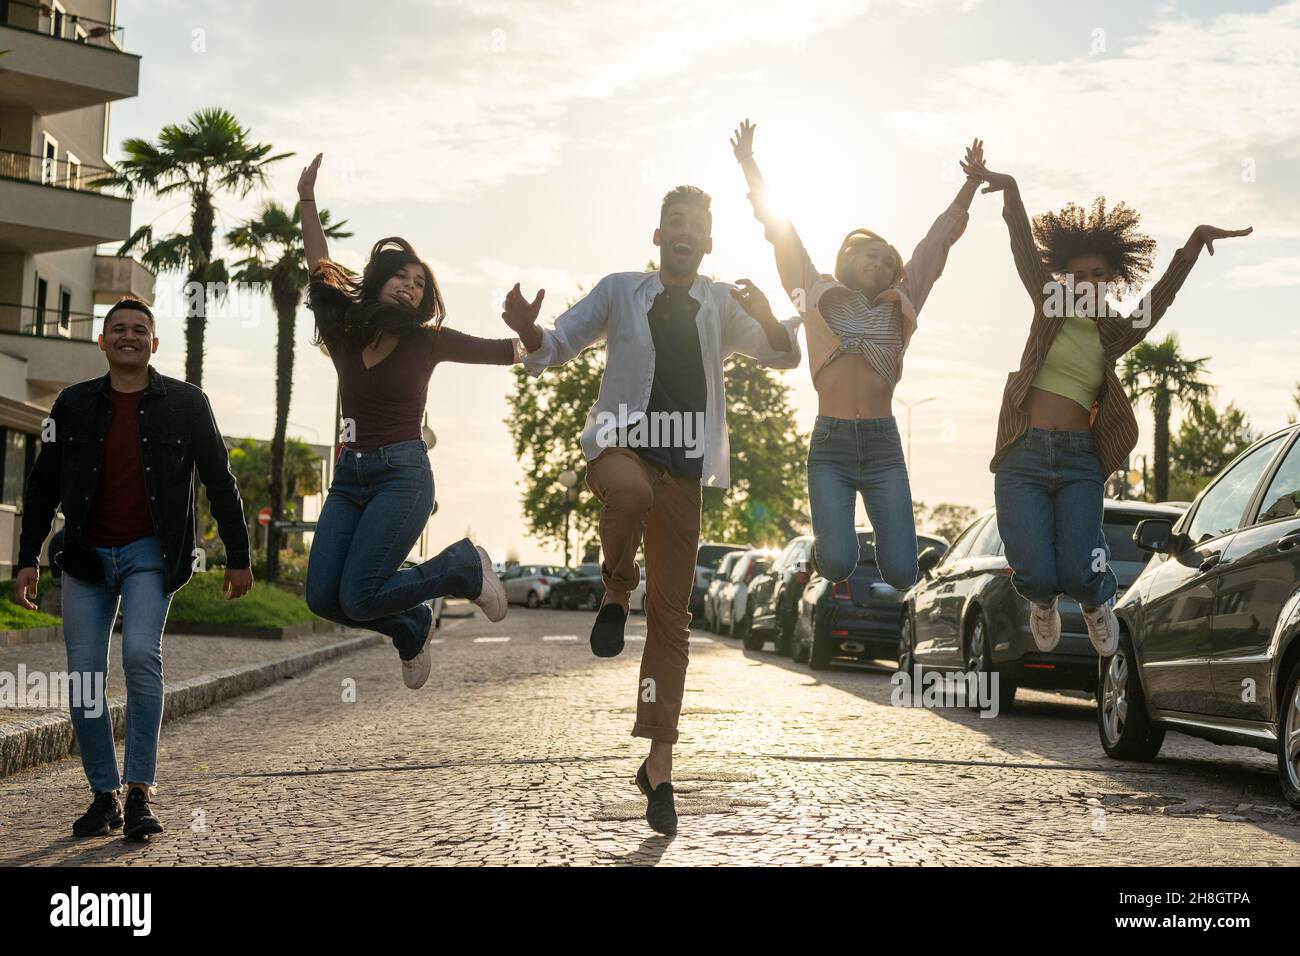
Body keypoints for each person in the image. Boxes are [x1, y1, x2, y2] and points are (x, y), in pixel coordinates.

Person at [501, 184, 801, 835]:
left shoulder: (720, 304)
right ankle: (615, 588)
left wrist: (768, 312)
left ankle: (659, 768)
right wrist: (527, 329)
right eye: (675, 222)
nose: (685, 231)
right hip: (619, 451)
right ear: (660, 235)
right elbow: (556, 345)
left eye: (697, 224)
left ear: (709, 242)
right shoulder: (620, 291)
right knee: (629, 495)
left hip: (685, 478)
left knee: (670, 623)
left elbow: (783, 356)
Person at [961, 149, 1251, 655]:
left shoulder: (1112, 333)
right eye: (1080, 275)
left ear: (1110, 278)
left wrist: (1191, 246)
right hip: (1023, 454)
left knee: (1078, 566)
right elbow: (1024, 252)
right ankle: (1042, 601)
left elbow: (1156, 306)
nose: (1089, 283)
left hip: (1078, 460)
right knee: (1032, 567)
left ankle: (1096, 601)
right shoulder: (1047, 308)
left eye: (1099, 275)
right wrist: (1010, 191)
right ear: (1064, 279)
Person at [15, 296, 254, 841]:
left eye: (139, 329)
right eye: (117, 329)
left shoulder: (187, 404)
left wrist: (239, 556)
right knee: (84, 677)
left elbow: (220, 479)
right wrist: (26, 558)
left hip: (152, 552)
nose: (128, 336)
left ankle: (140, 791)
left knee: (142, 654)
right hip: (84, 556)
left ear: (154, 343)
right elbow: (41, 486)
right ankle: (104, 796)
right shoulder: (71, 405)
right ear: (102, 341)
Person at [732, 118, 978, 587]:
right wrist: (749, 164)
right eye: (873, 255)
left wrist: (970, 183)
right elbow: (781, 230)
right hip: (832, 445)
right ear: (849, 259)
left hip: (884, 447)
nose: (881, 264)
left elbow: (935, 244)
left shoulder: (901, 305)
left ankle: (881, 546)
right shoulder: (815, 292)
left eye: (889, 262)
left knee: (904, 572)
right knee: (840, 564)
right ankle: (832, 540)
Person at [297, 153, 510, 690]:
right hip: (349, 481)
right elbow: (319, 266)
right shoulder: (343, 332)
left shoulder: (428, 340)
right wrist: (306, 201)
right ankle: (413, 623)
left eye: (419, 284)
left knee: (361, 593)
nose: (410, 287)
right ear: (378, 282)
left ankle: (462, 565)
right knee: (324, 596)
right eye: (401, 277)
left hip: (403, 475)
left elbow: (504, 351)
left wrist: (537, 334)